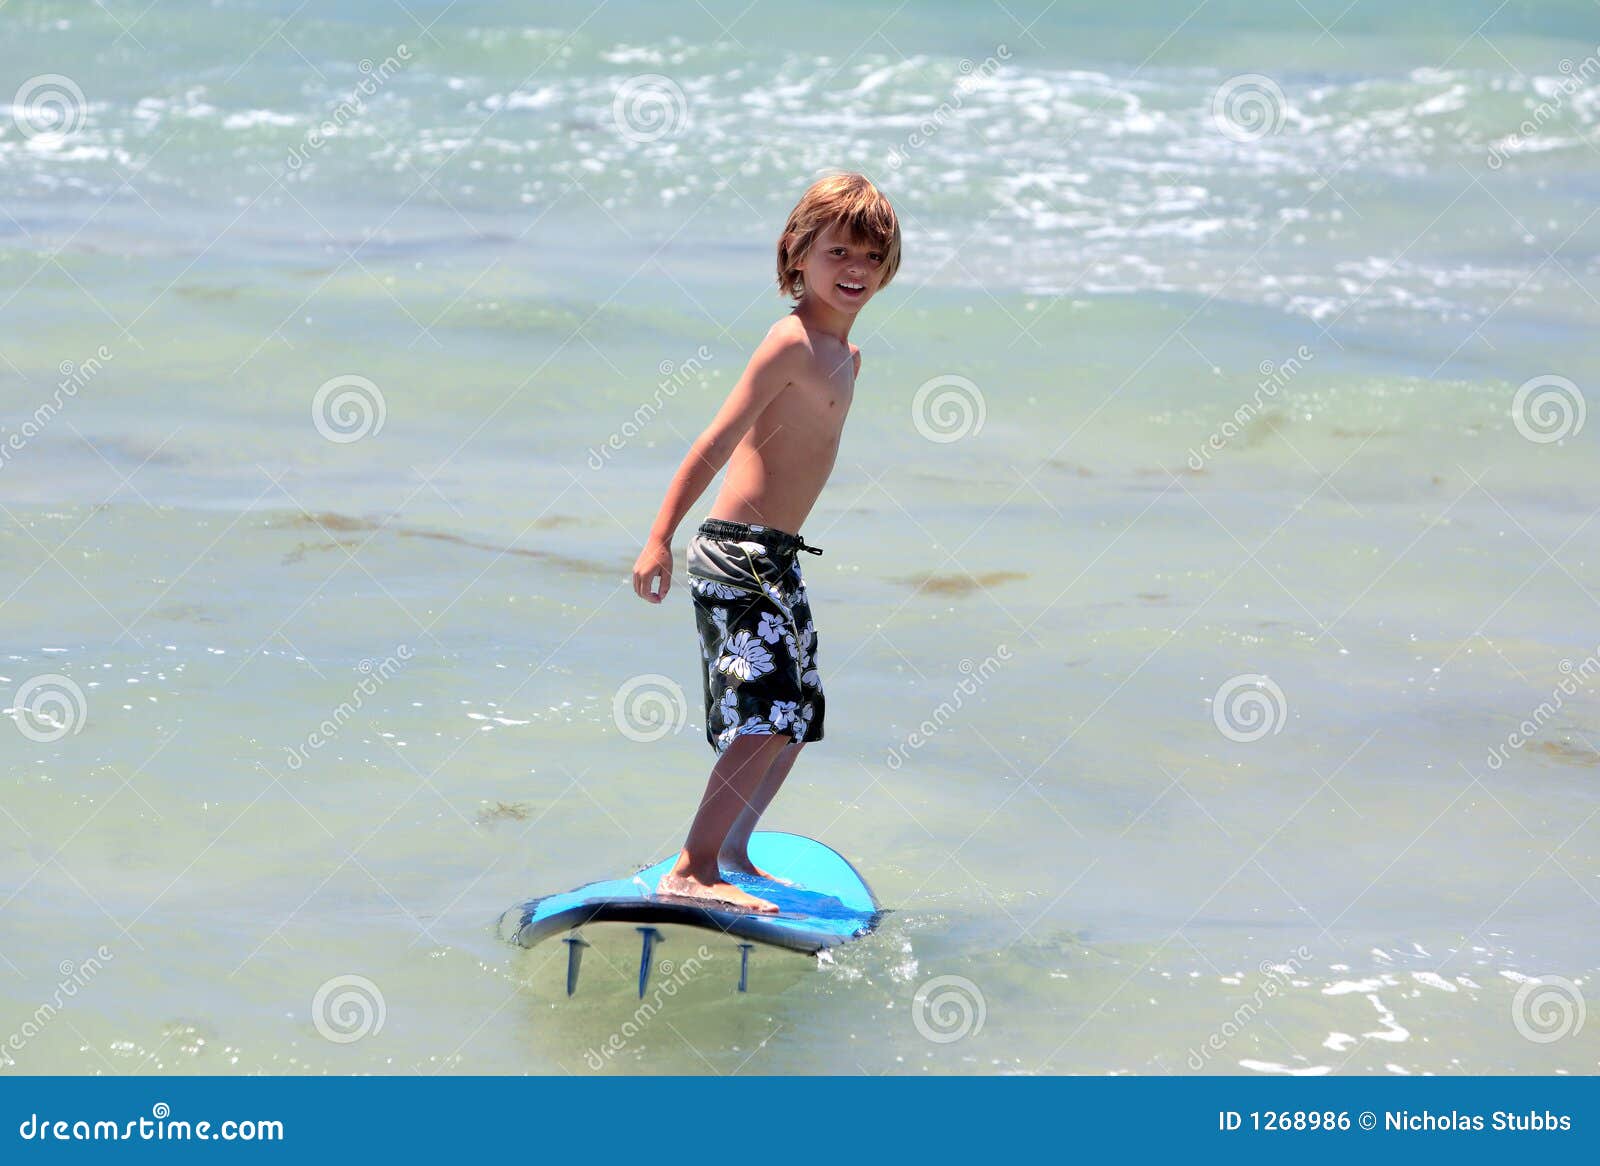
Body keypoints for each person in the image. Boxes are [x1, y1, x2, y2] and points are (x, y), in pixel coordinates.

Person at [630, 171, 901, 912]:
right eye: (839, 251)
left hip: (776, 558)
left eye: (872, 258)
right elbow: (715, 442)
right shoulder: (789, 342)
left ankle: (736, 852)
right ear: (796, 254)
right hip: (735, 551)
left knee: (798, 711)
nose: (855, 270)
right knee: (765, 712)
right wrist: (659, 538)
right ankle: (692, 867)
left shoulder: (848, 357)